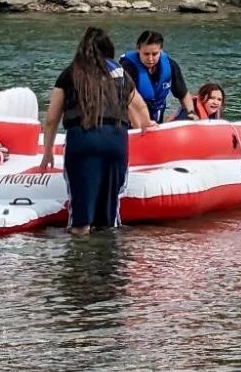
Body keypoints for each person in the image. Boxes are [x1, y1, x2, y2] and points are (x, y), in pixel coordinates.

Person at [39, 27, 150, 233]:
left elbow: (52, 118)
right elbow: (140, 107)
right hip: (115, 140)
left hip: (83, 139)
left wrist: (47, 153)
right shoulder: (120, 73)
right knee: (109, 218)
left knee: (81, 222)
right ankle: (107, 262)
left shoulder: (70, 73)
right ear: (108, 49)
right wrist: (148, 125)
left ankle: (80, 258)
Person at [120, 30, 194, 124]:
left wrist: (191, 112)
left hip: (157, 120)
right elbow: (125, 102)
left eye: (155, 54)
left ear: (161, 50)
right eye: (146, 54)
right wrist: (140, 125)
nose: (150, 59)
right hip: (132, 122)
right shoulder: (127, 68)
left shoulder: (170, 65)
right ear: (138, 49)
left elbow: (183, 94)